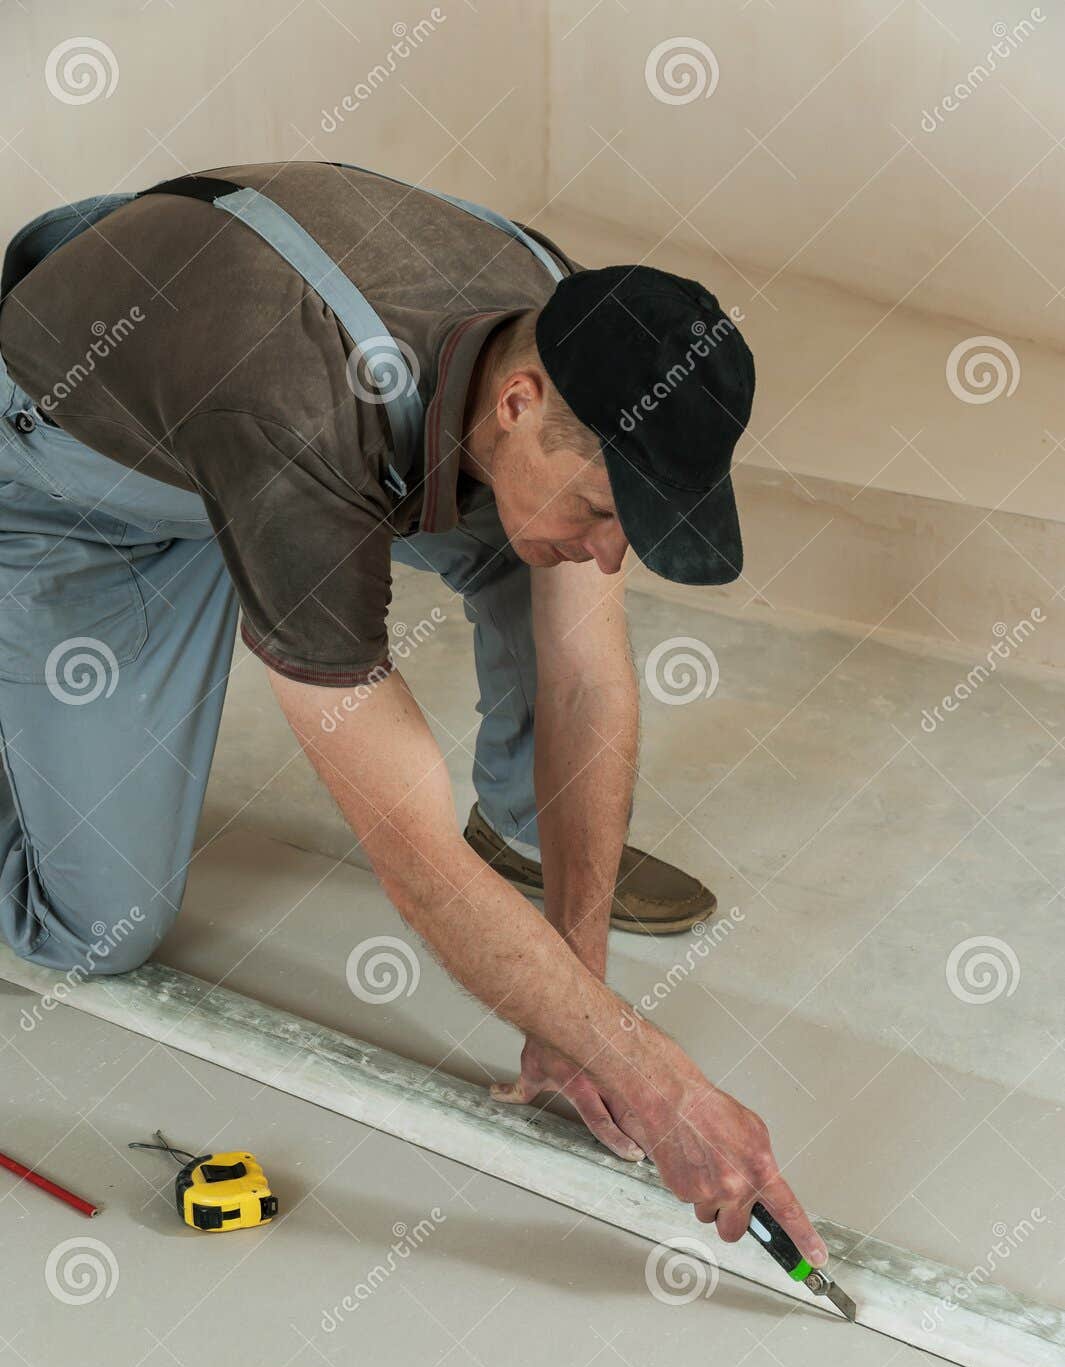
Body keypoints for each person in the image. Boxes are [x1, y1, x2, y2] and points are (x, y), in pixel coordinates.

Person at [0, 160, 825, 1263]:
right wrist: (656, 1079)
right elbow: (412, 855)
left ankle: (524, 851)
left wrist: (575, 1008)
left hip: (245, 408)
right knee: (99, 930)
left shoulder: (574, 330)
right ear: (521, 406)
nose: (614, 548)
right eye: (602, 507)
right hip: (81, 482)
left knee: (543, 566)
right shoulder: (294, 406)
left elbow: (582, 671)